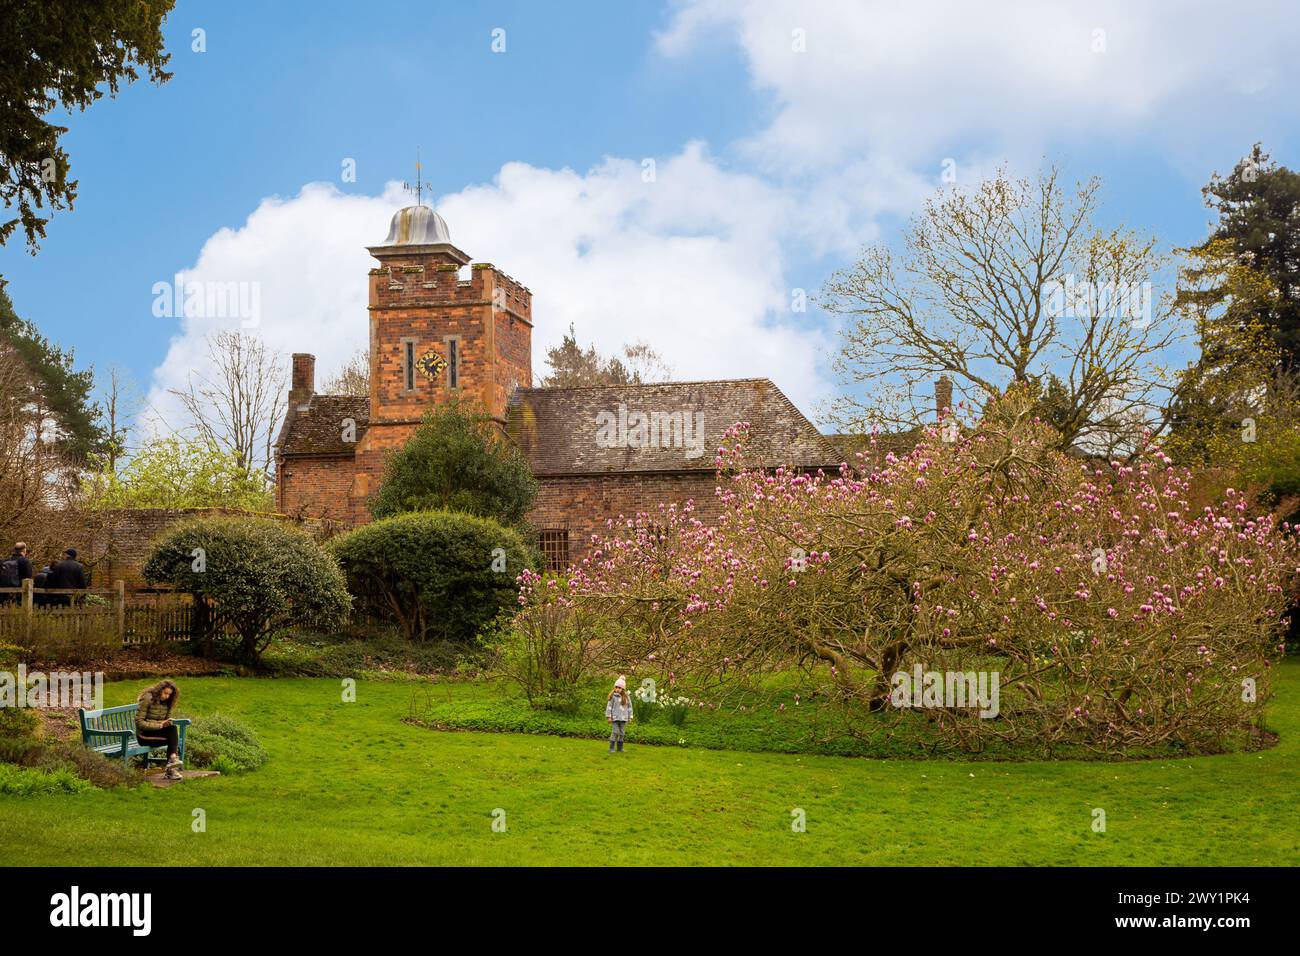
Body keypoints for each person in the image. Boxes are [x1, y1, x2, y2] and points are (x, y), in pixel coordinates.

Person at [135, 680, 184, 780]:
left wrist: (166, 723)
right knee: (173, 741)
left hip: (156, 733)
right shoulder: (148, 698)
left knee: (172, 729)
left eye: (169, 694)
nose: (167, 696)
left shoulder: (168, 702)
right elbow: (139, 722)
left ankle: (172, 760)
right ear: (159, 690)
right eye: (165, 693)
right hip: (144, 735)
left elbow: (165, 720)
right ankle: (172, 767)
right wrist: (160, 725)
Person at [605, 675, 634, 754]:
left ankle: (620, 748)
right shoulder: (613, 697)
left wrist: (630, 717)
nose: (618, 689)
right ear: (614, 687)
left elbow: (629, 707)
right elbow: (609, 707)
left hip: (623, 718)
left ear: (623, 689)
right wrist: (609, 717)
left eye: (620, 688)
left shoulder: (626, 697)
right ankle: (611, 748)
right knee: (615, 732)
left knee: (622, 733)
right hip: (614, 718)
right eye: (616, 687)